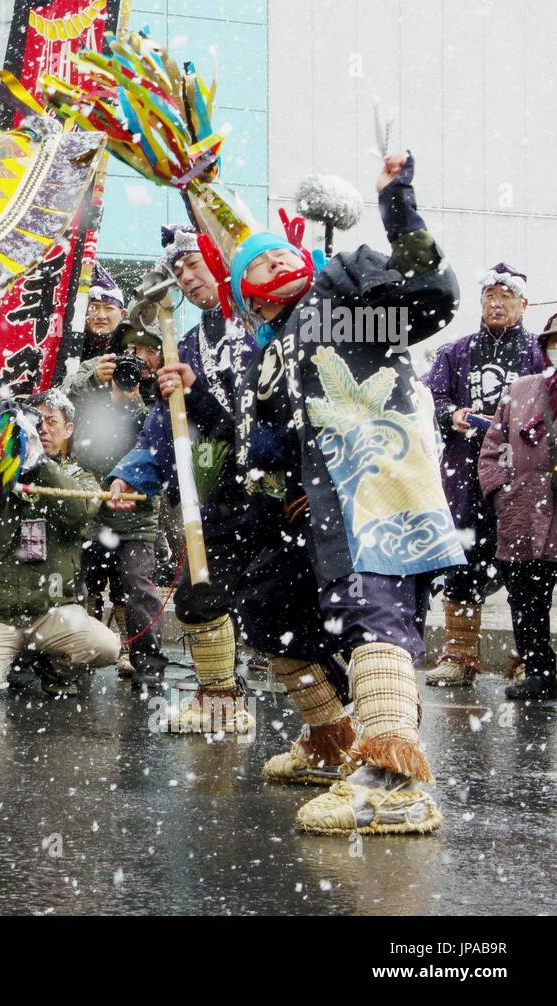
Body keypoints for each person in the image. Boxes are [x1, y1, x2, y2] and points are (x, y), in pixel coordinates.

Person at [172, 151, 462, 834]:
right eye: (256, 266)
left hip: (375, 488)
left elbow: (430, 295)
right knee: (271, 608)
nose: (271, 265)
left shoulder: (339, 293)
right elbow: (263, 449)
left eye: (279, 257)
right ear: (247, 296)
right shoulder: (265, 358)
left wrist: (398, 203)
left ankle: (395, 780)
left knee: (374, 609)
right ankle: (331, 739)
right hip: (310, 514)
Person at [108, 225, 259, 729]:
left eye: (195, 263)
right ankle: (221, 702)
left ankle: (340, 728)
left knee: (284, 613)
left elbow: (276, 415)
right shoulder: (190, 343)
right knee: (203, 595)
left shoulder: (270, 327)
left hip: (279, 491)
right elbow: (165, 428)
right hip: (217, 494)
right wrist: (133, 475)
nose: (187, 277)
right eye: (178, 271)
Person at [0, 392, 120, 700]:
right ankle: (11, 660)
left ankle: (56, 666)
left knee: (105, 647)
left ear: (68, 429)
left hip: (53, 608)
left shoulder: (78, 477)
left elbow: (80, 512)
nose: (43, 430)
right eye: (35, 423)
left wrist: (40, 465)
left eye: (51, 422)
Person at [423, 263, 544, 687]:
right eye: (490, 295)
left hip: (520, 479)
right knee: (463, 564)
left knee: (526, 572)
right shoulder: (456, 351)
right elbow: (428, 395)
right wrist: (449, 413)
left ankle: (528, 658)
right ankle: (459, 656)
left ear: (523, 304)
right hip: (462, 477)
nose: (496, 302)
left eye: (506, 296)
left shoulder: (536, 352)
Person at [61, 267, 164, 679]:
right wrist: (91, 376)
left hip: (136, 508)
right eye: (94, 307)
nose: (100, 314)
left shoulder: (153, 380)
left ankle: (146, 664)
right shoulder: (88, 365)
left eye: (109, 308)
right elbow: (61, 406)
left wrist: (132, 396)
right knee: (82, 586)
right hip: (88, 498)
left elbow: (154, 435)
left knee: (137, 588)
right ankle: (79, 657)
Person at [477, 312, 557, 701]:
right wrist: (501, 494)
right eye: (554, 341)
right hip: (523, 512)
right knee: (526, 597)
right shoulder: (521, 389)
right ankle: (539, 668)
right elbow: (491, 449)